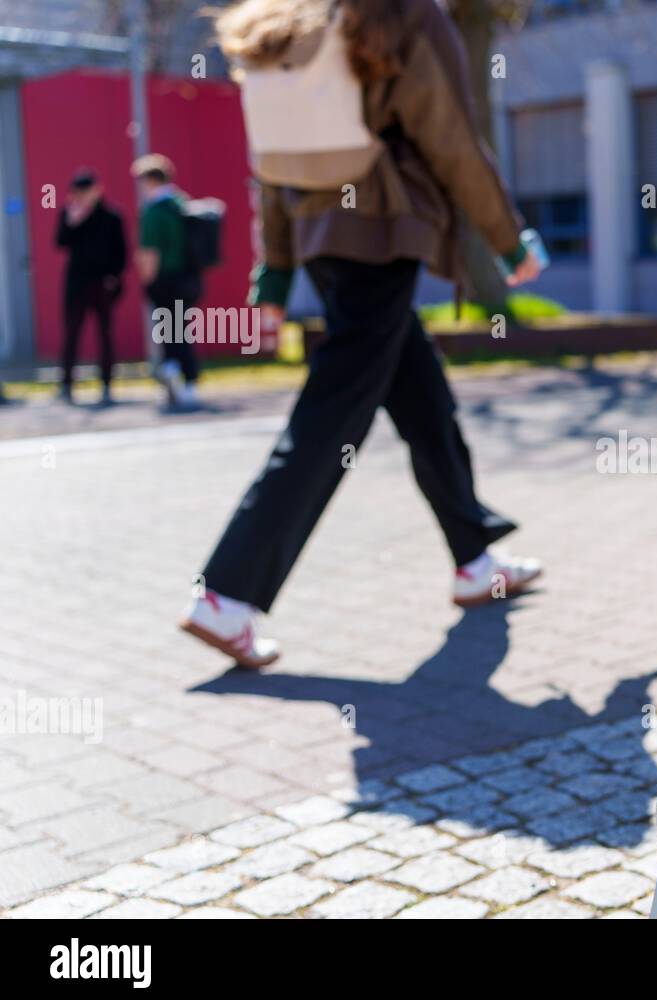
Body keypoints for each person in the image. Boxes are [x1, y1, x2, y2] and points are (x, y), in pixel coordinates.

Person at [180, 0, 543, 667]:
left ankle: (474, 556)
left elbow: (270, 165)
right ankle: (226, 596)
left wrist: (277, 275)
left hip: (321, 238)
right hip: (380, 229)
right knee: (330, 414)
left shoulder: (286, 19)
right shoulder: (401, 13)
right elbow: (452, 136)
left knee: (419, 393)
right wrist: (507, 235)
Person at [132, 153, 202, 409]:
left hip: (164, 280)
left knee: (169, 332)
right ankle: (190, 383)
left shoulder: (154, 211)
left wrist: (147, 282)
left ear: (150, 180)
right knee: (182, 331)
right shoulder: (182, 203)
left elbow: (149, 252)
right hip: (190, 278)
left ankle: (174, 378)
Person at [56, 169, 126, 405]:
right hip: (77, 284)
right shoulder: (71, 213)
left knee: (105, 334)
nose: (83, 195)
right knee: (71, 334)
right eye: (78, 191)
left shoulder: (111, 216)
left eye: (87, 191)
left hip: (102, 284)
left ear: (98, 190)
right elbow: (60, 242)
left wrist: (113, 277)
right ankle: (66, 384)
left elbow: (121, 252)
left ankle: (107, 384)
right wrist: (73, 221)